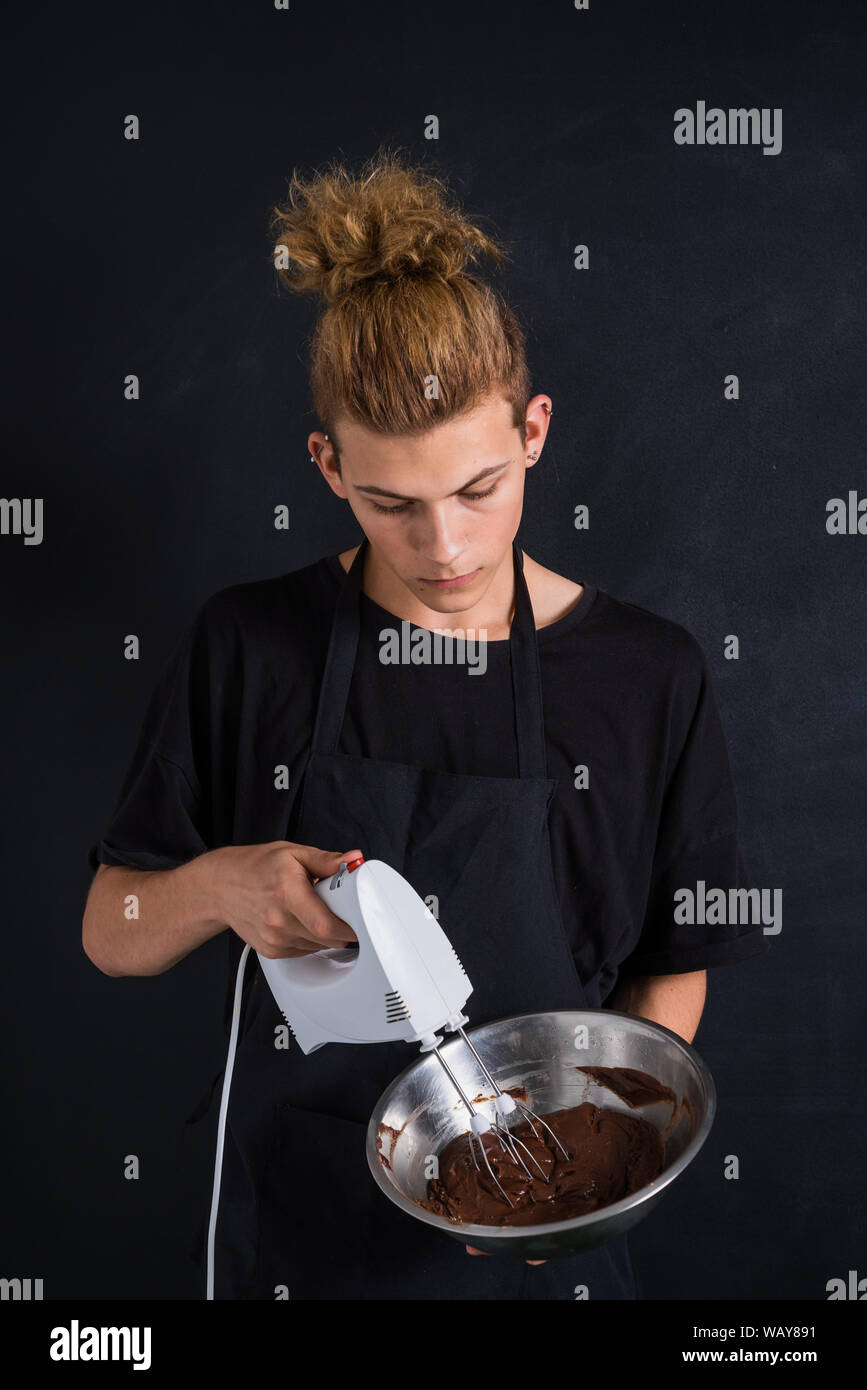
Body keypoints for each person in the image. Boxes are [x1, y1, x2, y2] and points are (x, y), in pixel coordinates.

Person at [82, 147, 769, 1300]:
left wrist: (580, 1179)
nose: (444, 549)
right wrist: (221, 887)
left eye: (479, 489)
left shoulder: (647, 673)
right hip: (303, 1229)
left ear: (535, 432)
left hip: (548, 1209)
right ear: (327, 466)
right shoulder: (251, 645)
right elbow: (114, 926)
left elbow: (669, 970)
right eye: (392, 503)